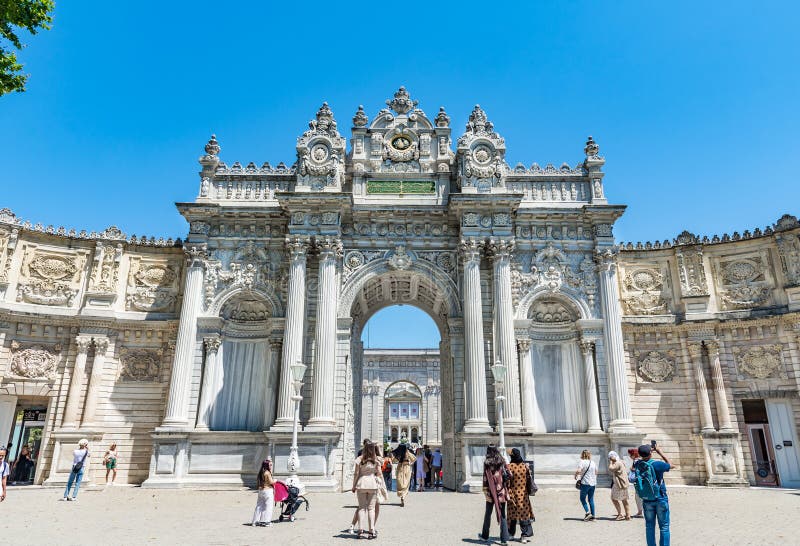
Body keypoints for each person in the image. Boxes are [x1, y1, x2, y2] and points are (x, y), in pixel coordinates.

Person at [634, 443, 674, 546]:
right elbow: (672, 465)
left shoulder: (637, 464)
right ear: (651, 453)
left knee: (649, 526)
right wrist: (660, 452)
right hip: (660, 498)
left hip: (647, 499)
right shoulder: (657, 464)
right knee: (664, 527)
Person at [478, 444, 511, 545]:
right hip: (501, 491)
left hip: (490, 491)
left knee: (488, 514)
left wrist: (485, 491)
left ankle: (484, 536)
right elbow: (509, 474)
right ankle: (504, 539)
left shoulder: (487, 463)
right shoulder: (502, 461)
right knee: (502, 515)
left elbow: (485, 478)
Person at [352, 441, 382, 539]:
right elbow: (379, 473)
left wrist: (354, 485)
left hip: (362, 483)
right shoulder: (376, 460)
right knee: (371, 508)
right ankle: (371, 531)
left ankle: (360, 531)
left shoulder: (359, 459)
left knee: (361, 508)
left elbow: (356, 474)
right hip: (372, 483)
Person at [506, 448, 534, 543]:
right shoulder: (525, 466)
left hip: (513, 494)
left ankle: (510, 534)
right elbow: (529, 480)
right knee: (524, 515)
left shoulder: (509, 467)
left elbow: (507, 482)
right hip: (523, 495)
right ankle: (524, 536)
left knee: (512, 515)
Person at [574, 449, 597, 521]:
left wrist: (576, 475)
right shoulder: (593, 462)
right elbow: (596, 472)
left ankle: (588, 513)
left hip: (585, 483)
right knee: (591, 499)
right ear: (589, 455)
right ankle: (593, 516)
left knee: (582, 498)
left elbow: (579, 471)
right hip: (593, 483)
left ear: (582, 455)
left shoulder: (582, 462)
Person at [251, 458, 275, 527]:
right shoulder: (267, 473)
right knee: (268, 506)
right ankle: (266, 521)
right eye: (270, 465)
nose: (271, 466)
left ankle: (255, 521)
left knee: (259, 506)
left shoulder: (261, 472)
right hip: (268, 491)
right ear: (267, 465)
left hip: (261, 490)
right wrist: (275, 480)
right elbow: (271, 482)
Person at [608, 451, 631, 520]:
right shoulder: (621, 461)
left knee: (614, 499)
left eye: (610, 457)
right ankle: (628, 515)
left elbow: (611, 468)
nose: (610, 459)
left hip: (619, 484)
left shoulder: (617, 463)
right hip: (624, 484)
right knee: (624, 500)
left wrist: (611, 463)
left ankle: (620, 514)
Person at [627, 448, 644, 517]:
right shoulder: (641, 460)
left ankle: (640, 512)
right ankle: (641, 511)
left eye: (630, 455)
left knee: (638, 497)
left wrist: (632, 469)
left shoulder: (636, 461)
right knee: (640, 497)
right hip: (642, 481)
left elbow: (637, 470)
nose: (630, 456)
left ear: (634, 455)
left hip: (638, 481)